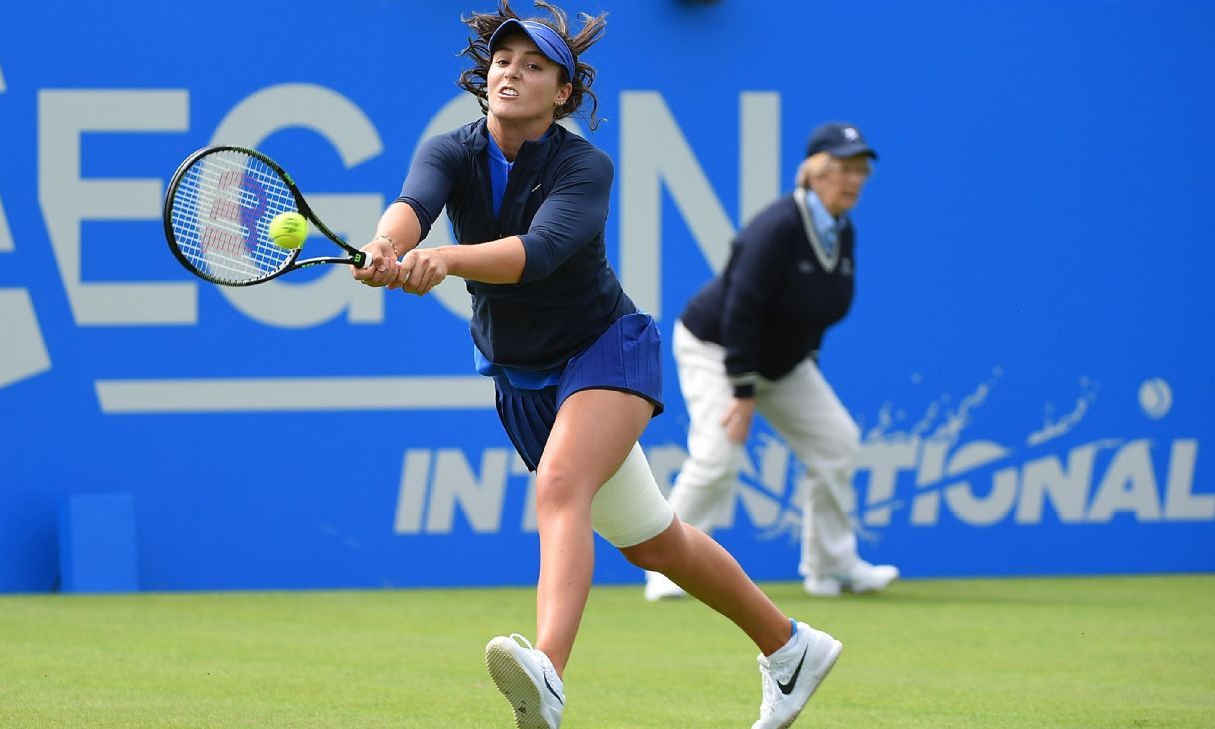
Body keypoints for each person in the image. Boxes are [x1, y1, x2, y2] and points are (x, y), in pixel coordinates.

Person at [352, 3, 841, 727]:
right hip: (521, 379)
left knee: (559, 485)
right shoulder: (450, 150)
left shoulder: (585, 165)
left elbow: (538, 253)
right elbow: (410, 206)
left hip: (603, 350)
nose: (512, 74)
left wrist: (443, 261)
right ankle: (791, 648)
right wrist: (388, 245)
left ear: (564, 93)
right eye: (504, 61)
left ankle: (547, 669)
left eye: (534, 67)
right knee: (654, 540)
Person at [644, 121, 900, 603]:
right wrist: (743, 391)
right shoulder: (778, 226)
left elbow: (818, 310)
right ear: (815, 173)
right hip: (717, 347)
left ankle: (832, 566)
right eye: (842, 169)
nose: (853, 180)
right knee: (718, 455)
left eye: (860, 171)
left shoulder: (842, 233)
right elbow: (743, 307)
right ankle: (667, 565)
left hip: (783, 361)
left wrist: (806, 364)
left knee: (836, 441)